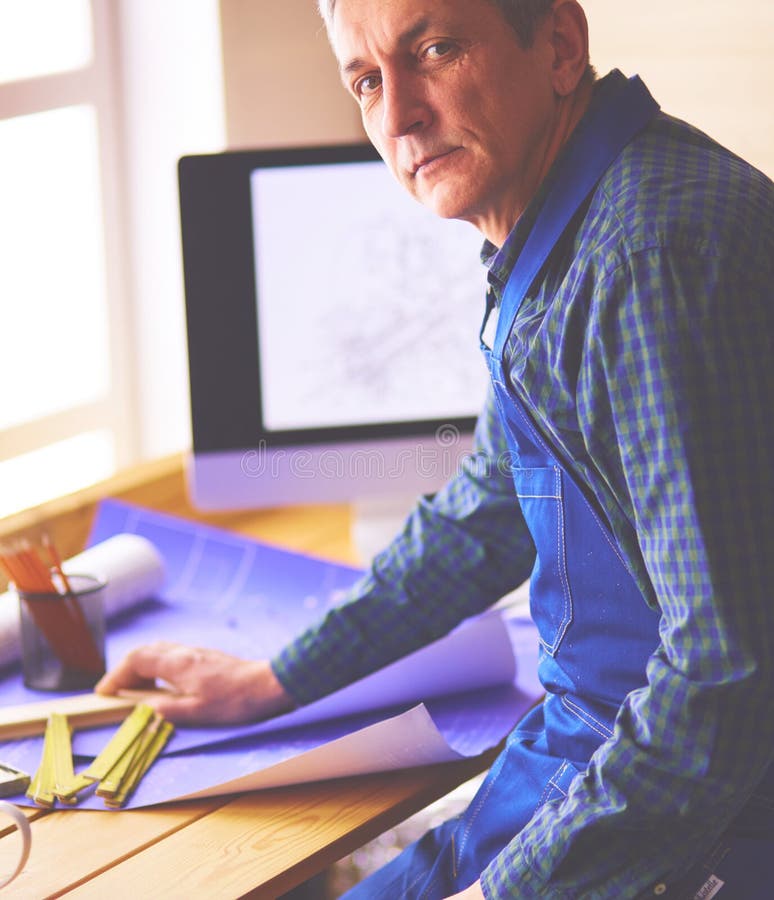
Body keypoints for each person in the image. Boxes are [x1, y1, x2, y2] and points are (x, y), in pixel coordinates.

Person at [97, 0, 774, 896]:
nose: (397, 117)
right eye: (367, 79)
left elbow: (722, 685)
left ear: (561, 46)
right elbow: (485, 510)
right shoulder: (566, 223)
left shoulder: (645, 260)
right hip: (594, 750)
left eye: (436, 50)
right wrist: (271, 680)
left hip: (699, 816)